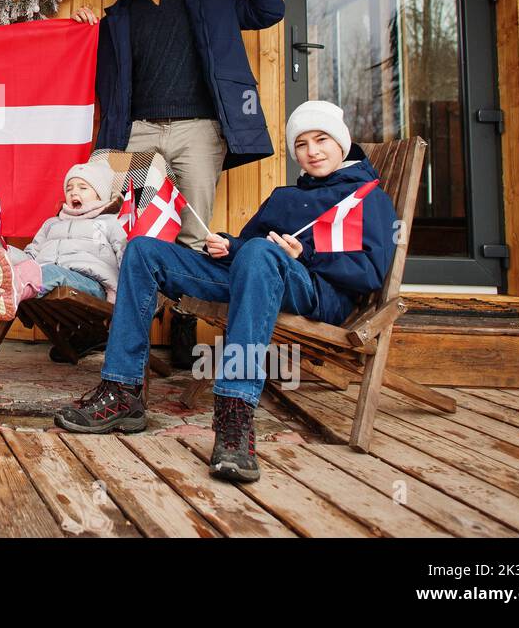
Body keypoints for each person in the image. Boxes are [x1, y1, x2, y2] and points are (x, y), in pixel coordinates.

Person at [54, 101, 398, 485]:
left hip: (314, 292)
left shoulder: (369, 199)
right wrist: (229, 246)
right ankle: (122, 391)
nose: (312, 151)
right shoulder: (284, 197)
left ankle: (235, 415)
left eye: (321, 140)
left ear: (341, 143)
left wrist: (306, 255)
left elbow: (370, 273)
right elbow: (249, 247)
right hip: (257, 275)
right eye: (301, 144)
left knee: (261, 252)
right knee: (143, 249)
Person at [71, 0, 286, 363]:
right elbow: (83, 62)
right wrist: (84, 29)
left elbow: (270, 11)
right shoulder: (118, 19)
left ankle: (183, 323)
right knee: (132, 224)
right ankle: (114, 324)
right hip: (139, 134)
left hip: (198, 131)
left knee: (193, 229)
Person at [0, 161, 127, 325]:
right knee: (2, 255)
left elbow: (125, 257)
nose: (74, 192)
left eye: (83, 188)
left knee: (51, 271)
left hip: (91, 283)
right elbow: (31, 256)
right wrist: (4, 251)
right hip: (44, 273)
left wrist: (121, 296)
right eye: (69, 188)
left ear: (100, 195)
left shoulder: (111, 223)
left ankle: (13, 286)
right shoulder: (52, 223)